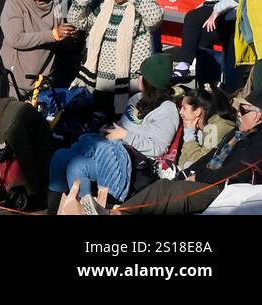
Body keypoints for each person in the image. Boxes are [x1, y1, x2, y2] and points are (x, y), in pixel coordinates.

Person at [48, 53, 180, 205]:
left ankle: (86, 209)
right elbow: (122, 126)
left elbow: (158, 148)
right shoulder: (137, 98)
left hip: (133, 162)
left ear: (149, 80)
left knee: (77, 167)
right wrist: (109, 130)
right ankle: (55, 209)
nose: (136, 77)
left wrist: (125, 135)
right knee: (60, 156)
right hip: (112, 148)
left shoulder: (167, 110)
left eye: (139, 74)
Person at [111, 91, 262, 215]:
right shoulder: (236, 132)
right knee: (164, 185)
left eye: (243, 110)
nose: (239, 114)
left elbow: (236, 170)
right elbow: (208, 157)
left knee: (174, 193)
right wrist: (185, 174)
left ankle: (117, 213)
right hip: (207, 180)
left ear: (257, 115)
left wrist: (198, 177)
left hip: (222, 188)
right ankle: (118, 211)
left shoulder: (256, 143)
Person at [69, 0, 165, 115]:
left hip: (132, 85)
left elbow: (155, 17)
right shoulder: (103, 5)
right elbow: (76, 20)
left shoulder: (140, 5)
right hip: (100, 85)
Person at [0, 0, 77, 94]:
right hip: (16, 82)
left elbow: (60, 41)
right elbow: (16, 39)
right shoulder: (15, 2)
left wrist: (69, 36)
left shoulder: (56, 4)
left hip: (44, 82)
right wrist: (53, 34)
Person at [176, 86, 236, 170]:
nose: (181, 112)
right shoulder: (200, 128)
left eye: (184, 108)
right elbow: (182, 161)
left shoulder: (214, 129)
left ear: (197, 112)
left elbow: (198, 162)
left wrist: (189, 134)